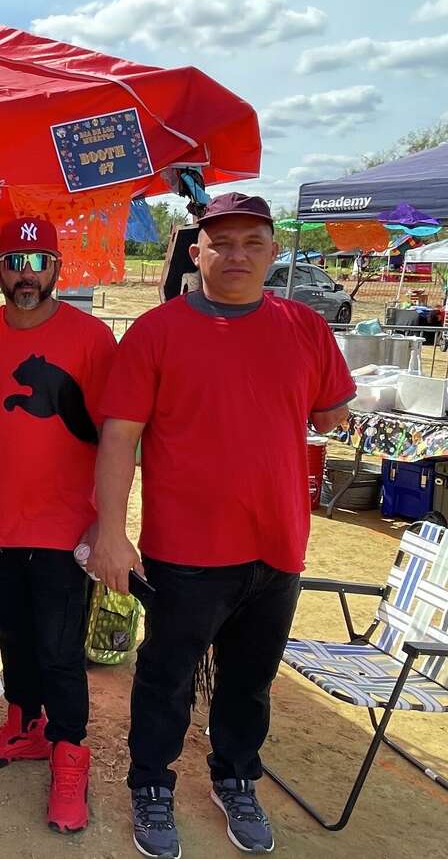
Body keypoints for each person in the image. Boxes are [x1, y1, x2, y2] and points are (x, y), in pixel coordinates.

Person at [89, 193, 354, 858]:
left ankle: (236, 776)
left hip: (278, 543)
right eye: (222, 243)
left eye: (252, 243)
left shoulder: (305, 328)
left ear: (272, 252)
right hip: (188, 548)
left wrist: (330, 411)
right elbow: (119, 438)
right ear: (196, 251)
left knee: (250, 678)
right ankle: (151, 784)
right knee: (166, 675)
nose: (236, 255)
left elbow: (333, 415)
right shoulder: (156, 332)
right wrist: (112, 533)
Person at [0, 217, 114, 833]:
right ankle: (25, 723)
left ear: (57, 271)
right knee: (9, 632)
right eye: (14, 261)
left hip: (67, 529)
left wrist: (107, 523)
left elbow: (119, 437)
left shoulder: (93, 339)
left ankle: (70, 750)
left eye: (38, 261)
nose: (26, 274)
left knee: (60, 648)